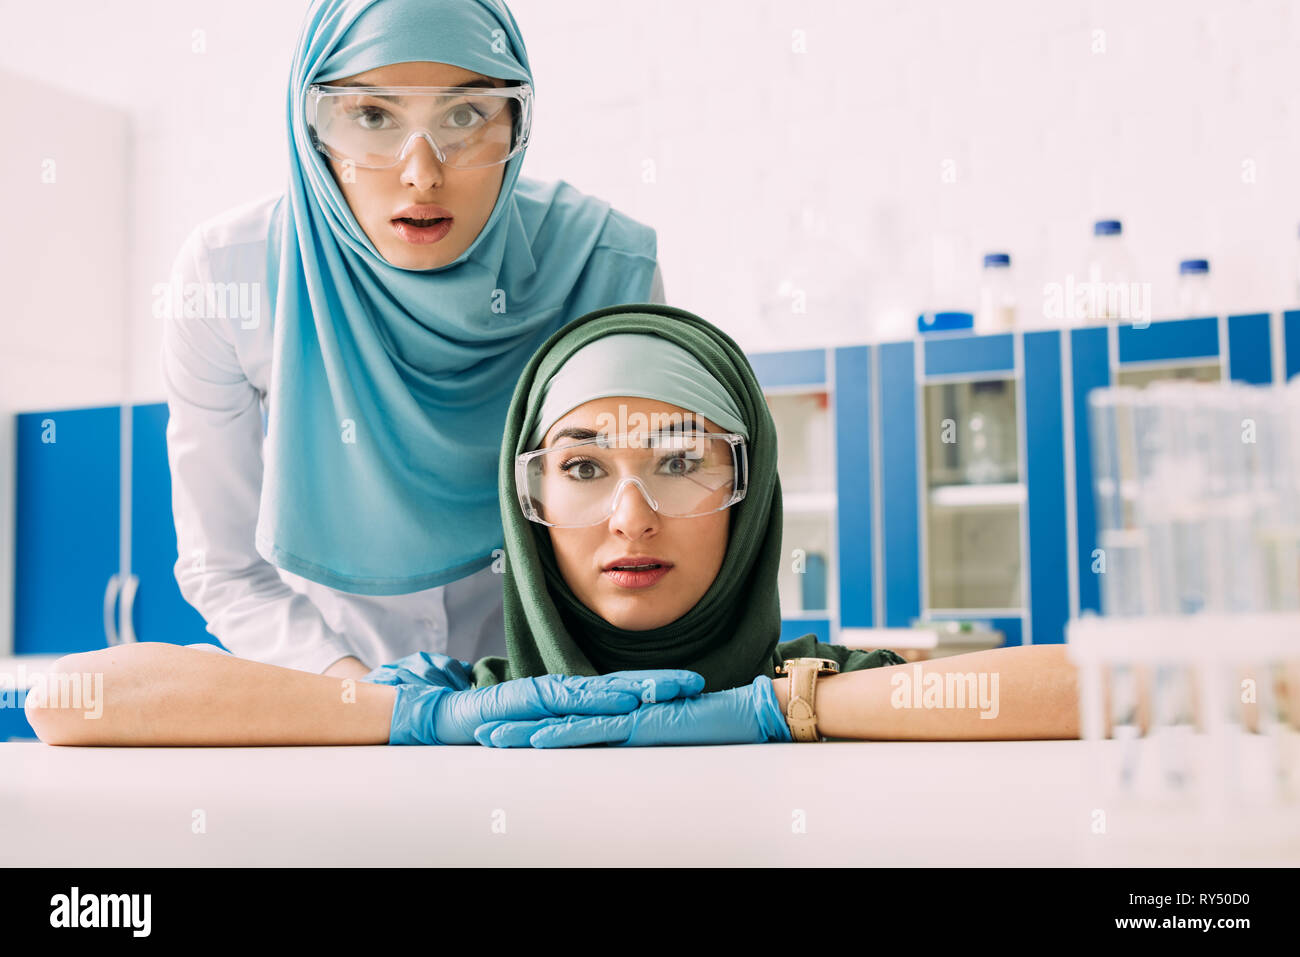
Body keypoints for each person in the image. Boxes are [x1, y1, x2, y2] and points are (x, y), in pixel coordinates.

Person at [28, 304, 1200, 748]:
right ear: (526, 503)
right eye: (582, 466)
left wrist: (779, 707)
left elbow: (1130, 688)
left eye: (683, 463)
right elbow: (68, 703)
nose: (629, 516)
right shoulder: (467, 697)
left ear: (752, 496)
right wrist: (427, 718)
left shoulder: (820, 688)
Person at [161, 0, 666, 683]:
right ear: (313, 132)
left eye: (464, 116)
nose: (422, 173)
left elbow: (640, 524)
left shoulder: (601, 265)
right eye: (373, 117)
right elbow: (221, 565)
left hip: (547, 693)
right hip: (329, 695)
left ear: (517, 122)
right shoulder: (231, 275)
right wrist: (359, 699)